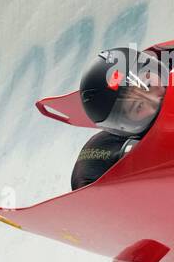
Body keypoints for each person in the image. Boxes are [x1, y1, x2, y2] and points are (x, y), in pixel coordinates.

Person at [71, 48, 166, 189]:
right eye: (138, 106)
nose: (156, 101)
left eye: (148, 85)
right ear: (128, 124)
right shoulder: (128, 151)